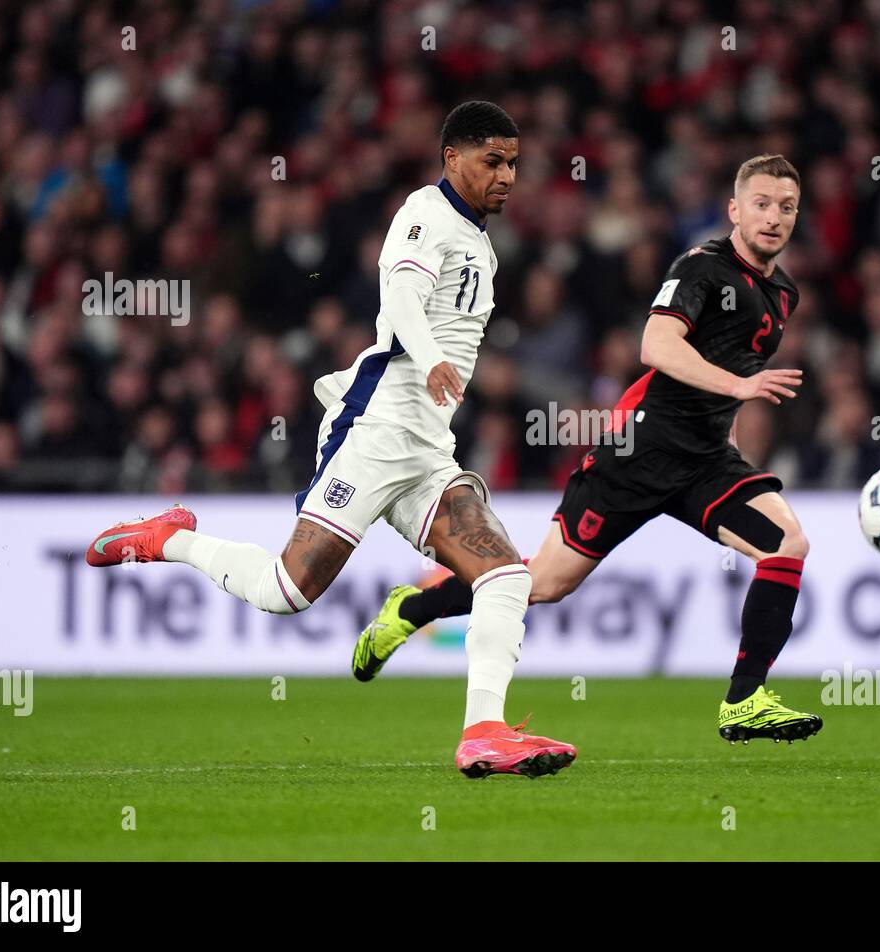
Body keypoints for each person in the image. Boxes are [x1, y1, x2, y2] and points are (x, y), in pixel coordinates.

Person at [85, 102, 575, 779]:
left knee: (505, 575)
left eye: (514, 163)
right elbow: (401, 296)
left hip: (427, 449)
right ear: (451, 159)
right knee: (288, 592)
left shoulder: (483, 247)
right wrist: (429, 355)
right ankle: (167, 538)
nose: (507, 176)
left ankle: (483, 731)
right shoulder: (423, 215)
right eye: (493, 160)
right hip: (373, 431)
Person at [354, 155, 823, 745]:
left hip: (705, 460)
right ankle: (411, 610)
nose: (773, 217)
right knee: (544, 585)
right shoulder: (702, 268)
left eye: (786, 207)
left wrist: (728, 421)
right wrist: (740, 387)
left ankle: (745, 699)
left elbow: (725, 364)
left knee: (787, 544)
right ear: (734, 209)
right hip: (638, 452)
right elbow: (656, 344)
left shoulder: (782, 292)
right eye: (761, 203)